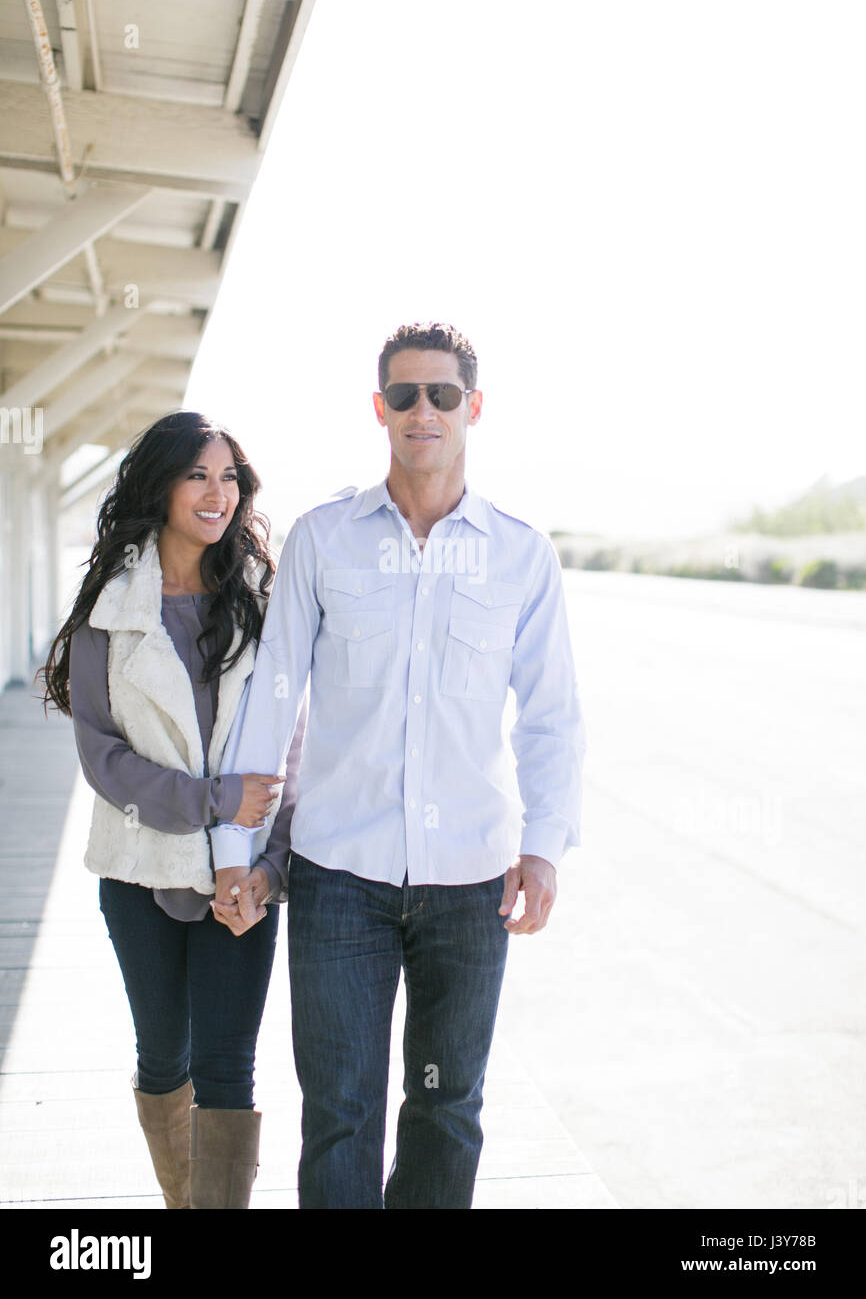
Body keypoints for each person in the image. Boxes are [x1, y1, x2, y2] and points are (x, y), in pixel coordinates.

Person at [212, 322, 586, 1209]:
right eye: (406, 395)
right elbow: (272, 698)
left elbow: (552, 717)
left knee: (447, 1106)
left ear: (474, 408)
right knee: (339, 1111)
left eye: (443, 394)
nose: (425, 410)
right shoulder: (322, 539)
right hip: (341, 873)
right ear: (379, 409)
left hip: (472, 879)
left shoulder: (521, 553)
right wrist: (236, 850)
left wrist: (544, 847)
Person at [38, 410, 305, 1210]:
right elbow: (102, 752)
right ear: (160, 485)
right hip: (141, 870)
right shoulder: (110, 609)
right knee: (165, 1055)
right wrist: (207, 801)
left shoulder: (266, 600)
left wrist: (267, 866)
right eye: (198, 474)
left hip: (241, 880)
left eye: (229, 477)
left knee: (229, 1067)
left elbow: (297, 743)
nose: (217, 493)